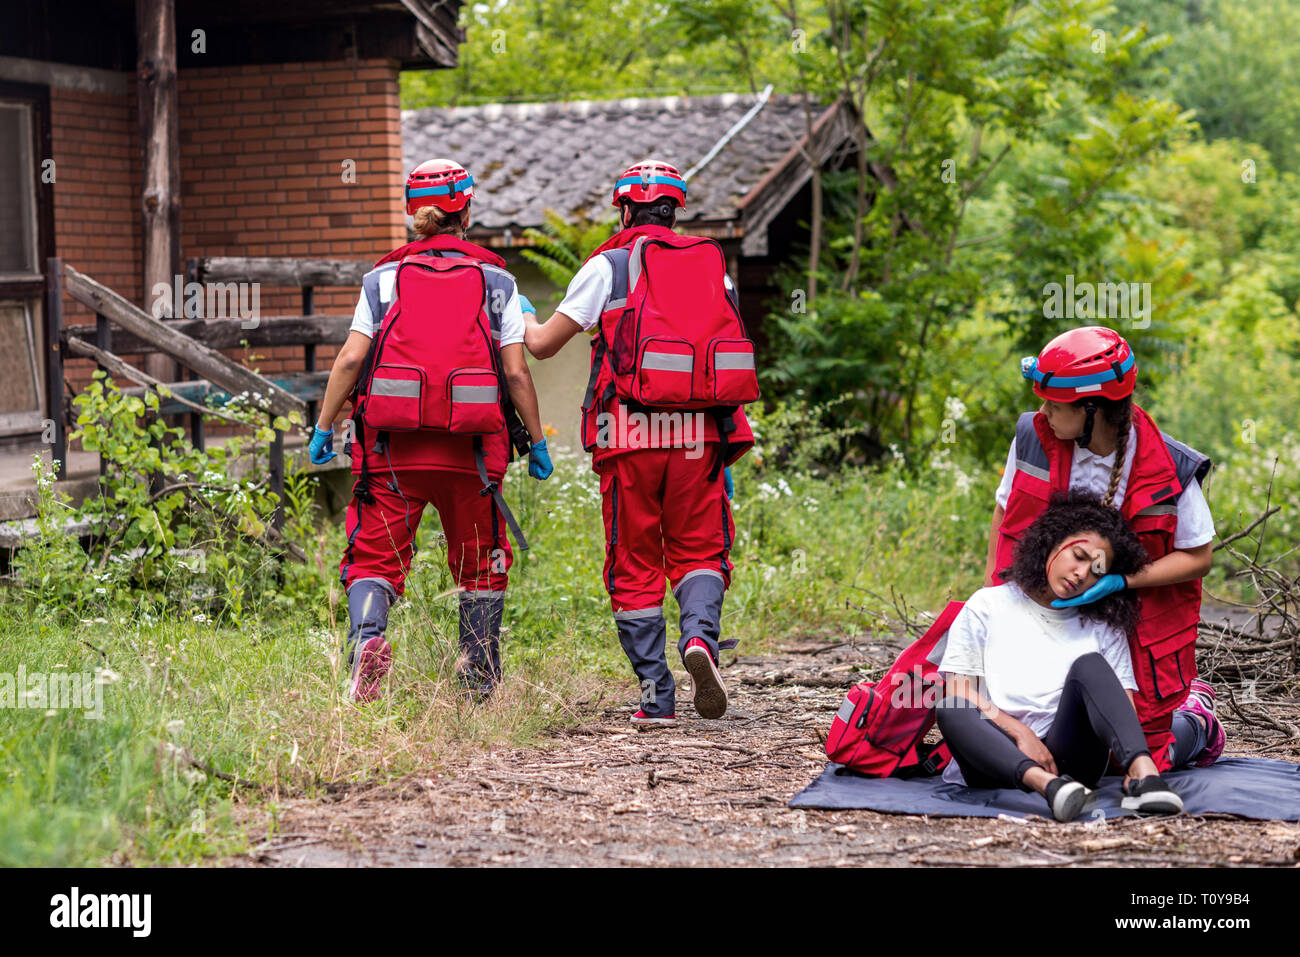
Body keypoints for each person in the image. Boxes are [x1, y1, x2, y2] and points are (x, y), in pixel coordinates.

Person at [522, 159, 756, 728]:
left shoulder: (609, 264)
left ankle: (656, 696)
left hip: (627, 435)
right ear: (675, 210)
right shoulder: (711, 266)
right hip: (700, 434)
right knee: (701, 550)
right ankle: (699, 639)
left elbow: (545, 347)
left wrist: (524, 315)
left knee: (634, 562)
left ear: (624, 208)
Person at [309, 158, 553, 703]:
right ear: (465, 208)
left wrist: (324, 427)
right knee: (480, 560)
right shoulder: (498, 281)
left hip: (392, 449)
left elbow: (350, 361)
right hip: (474, 452)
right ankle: (478, 683)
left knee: (373, 559)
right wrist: (536, 442)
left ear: (411, 210)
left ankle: (368, 642)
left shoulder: (383, 278)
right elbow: (515, 371)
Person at [983, 326, 1224, 771]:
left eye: (1055, 404)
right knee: (1024, 738)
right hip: (1045, 615)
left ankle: (1197, 719)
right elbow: (1003, 518)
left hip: (1130, 626)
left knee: (1128, 754)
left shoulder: (1171, 465)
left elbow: (1199, 557)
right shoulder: (1033, 437)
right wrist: (993, 605)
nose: (1045, 412)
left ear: (1092, 408)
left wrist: (1120, 580)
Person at [939, 492, 1184, 821]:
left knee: (1090, 665)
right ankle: (1048, 787)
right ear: (1053, 542)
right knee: (950, 707)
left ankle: (1145, 776)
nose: (1082, 573)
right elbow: (960, 691)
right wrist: (1021, 733)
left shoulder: (1101, 626)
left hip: (1072, 759)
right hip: (996, 758)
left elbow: (1119, 707)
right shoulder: (987, 605)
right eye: (1078, 555)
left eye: (1096, 570)